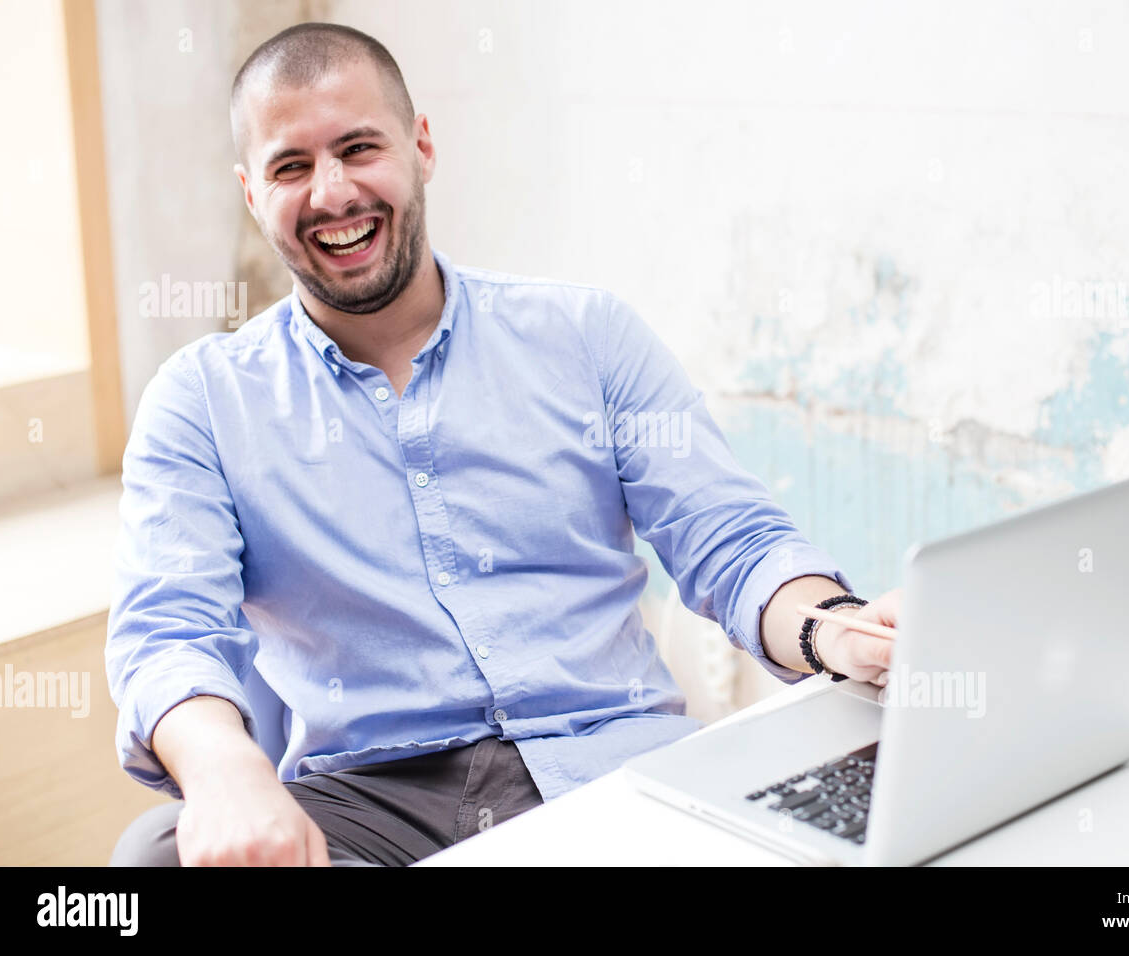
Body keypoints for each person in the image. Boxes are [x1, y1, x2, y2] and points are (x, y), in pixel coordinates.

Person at [106, 21, 902, 867]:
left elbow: (732, 544)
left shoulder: (585, 335)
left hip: (617, 768)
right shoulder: (200, 400)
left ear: (420, 147)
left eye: (359, 148)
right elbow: (168, 633)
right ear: (251, 192)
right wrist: (227, 770)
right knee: (157, 853)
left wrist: (835, 629)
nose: (332, 193)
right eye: (291, 166)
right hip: (370, 801)